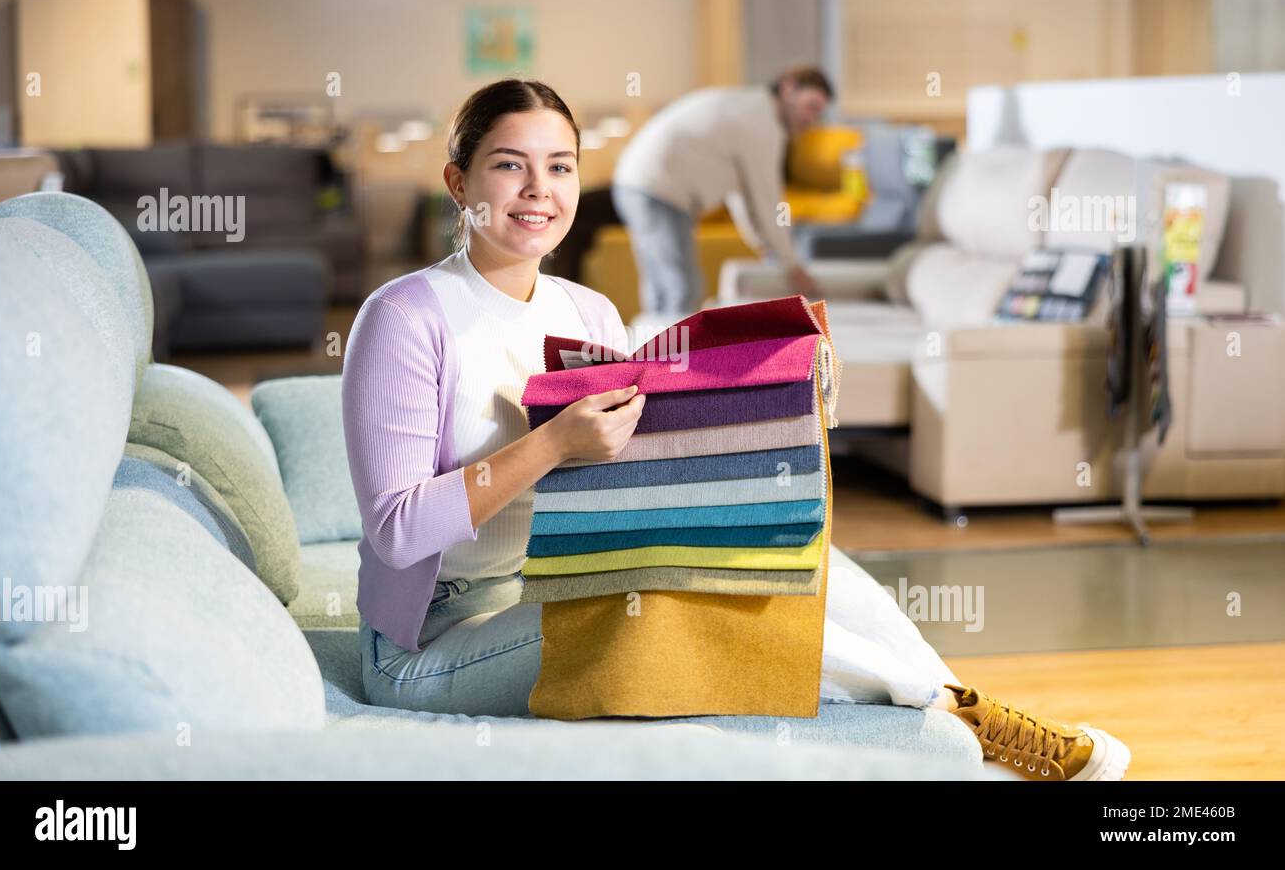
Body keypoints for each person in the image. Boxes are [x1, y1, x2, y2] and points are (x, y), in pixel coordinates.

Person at [341, 76, 1131, 781]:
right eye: (509, 164)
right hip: (433, 643)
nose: (538, 189)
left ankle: (960, 710)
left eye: (560, 166)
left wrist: (787, 395)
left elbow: (636, 467)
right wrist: (550, 442)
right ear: (458, 180)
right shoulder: (406, 318)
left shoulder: (588, 310)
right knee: (662, 597)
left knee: (796, 552)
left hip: (551, 581)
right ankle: (940, 711)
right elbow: (398, 529)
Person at [610, 65, 827, 323]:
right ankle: (668, 361)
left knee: (663, 289)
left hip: (638, 183)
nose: (810, 120)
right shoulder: (763, 122)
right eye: (811, 106)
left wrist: (764, 247)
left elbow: (743, 198)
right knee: (681, 288)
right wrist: (793, 267)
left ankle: (652, 357)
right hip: (657, 189)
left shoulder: (748, 109)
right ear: (788, 88)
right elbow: (768, 202)